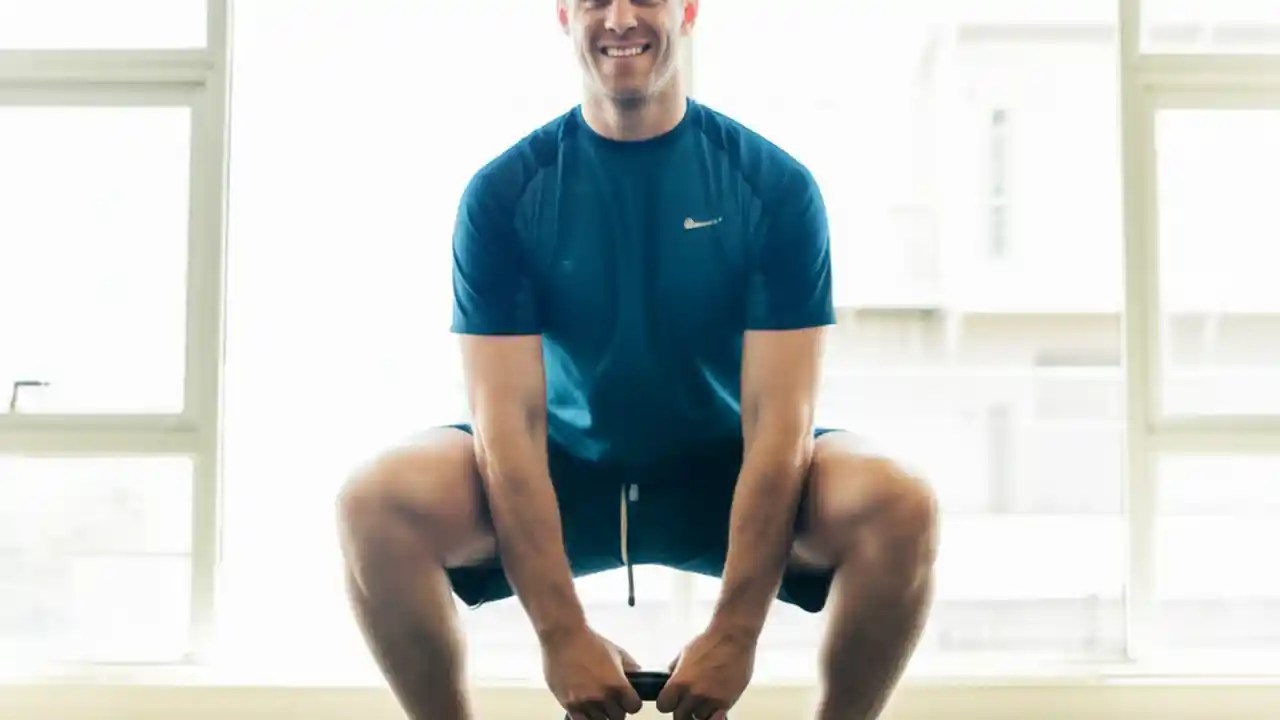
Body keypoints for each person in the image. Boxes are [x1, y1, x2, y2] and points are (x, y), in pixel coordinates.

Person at [336, 1, 938, 719]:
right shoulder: (504, 193)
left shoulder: (772, 187)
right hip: (563, 477)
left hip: (728, 479)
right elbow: (510, 427)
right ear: (565, 14)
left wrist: (735, 634)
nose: (620, 17)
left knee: (900, 505)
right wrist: (561, 634)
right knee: (375, 503)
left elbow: (780, 425)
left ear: (688, 10)